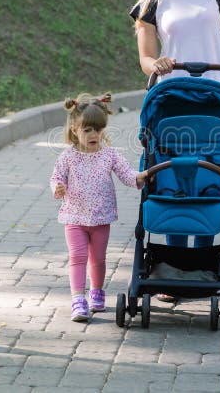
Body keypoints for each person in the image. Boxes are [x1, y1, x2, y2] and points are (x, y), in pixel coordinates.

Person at [129, 0, 220, 300]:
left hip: (216, 98)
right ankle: (175, 269)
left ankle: (206, 265)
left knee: (210, 175)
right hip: (173, 101)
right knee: (174, 179)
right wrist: (156, 65)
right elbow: (146, 57)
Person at [50, 93, 147, 321]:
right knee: (77, 257)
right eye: (87, 130)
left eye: (98, 130)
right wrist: (57, 187)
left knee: (98, 259)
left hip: (101, 218)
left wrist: (139, 177)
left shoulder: (110, 155)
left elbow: (126, 174)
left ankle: (96, 291)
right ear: (75, 130)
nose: (94, 135)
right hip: (74, 217)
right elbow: (57, 177)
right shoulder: (68, 157)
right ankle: (77, 300)